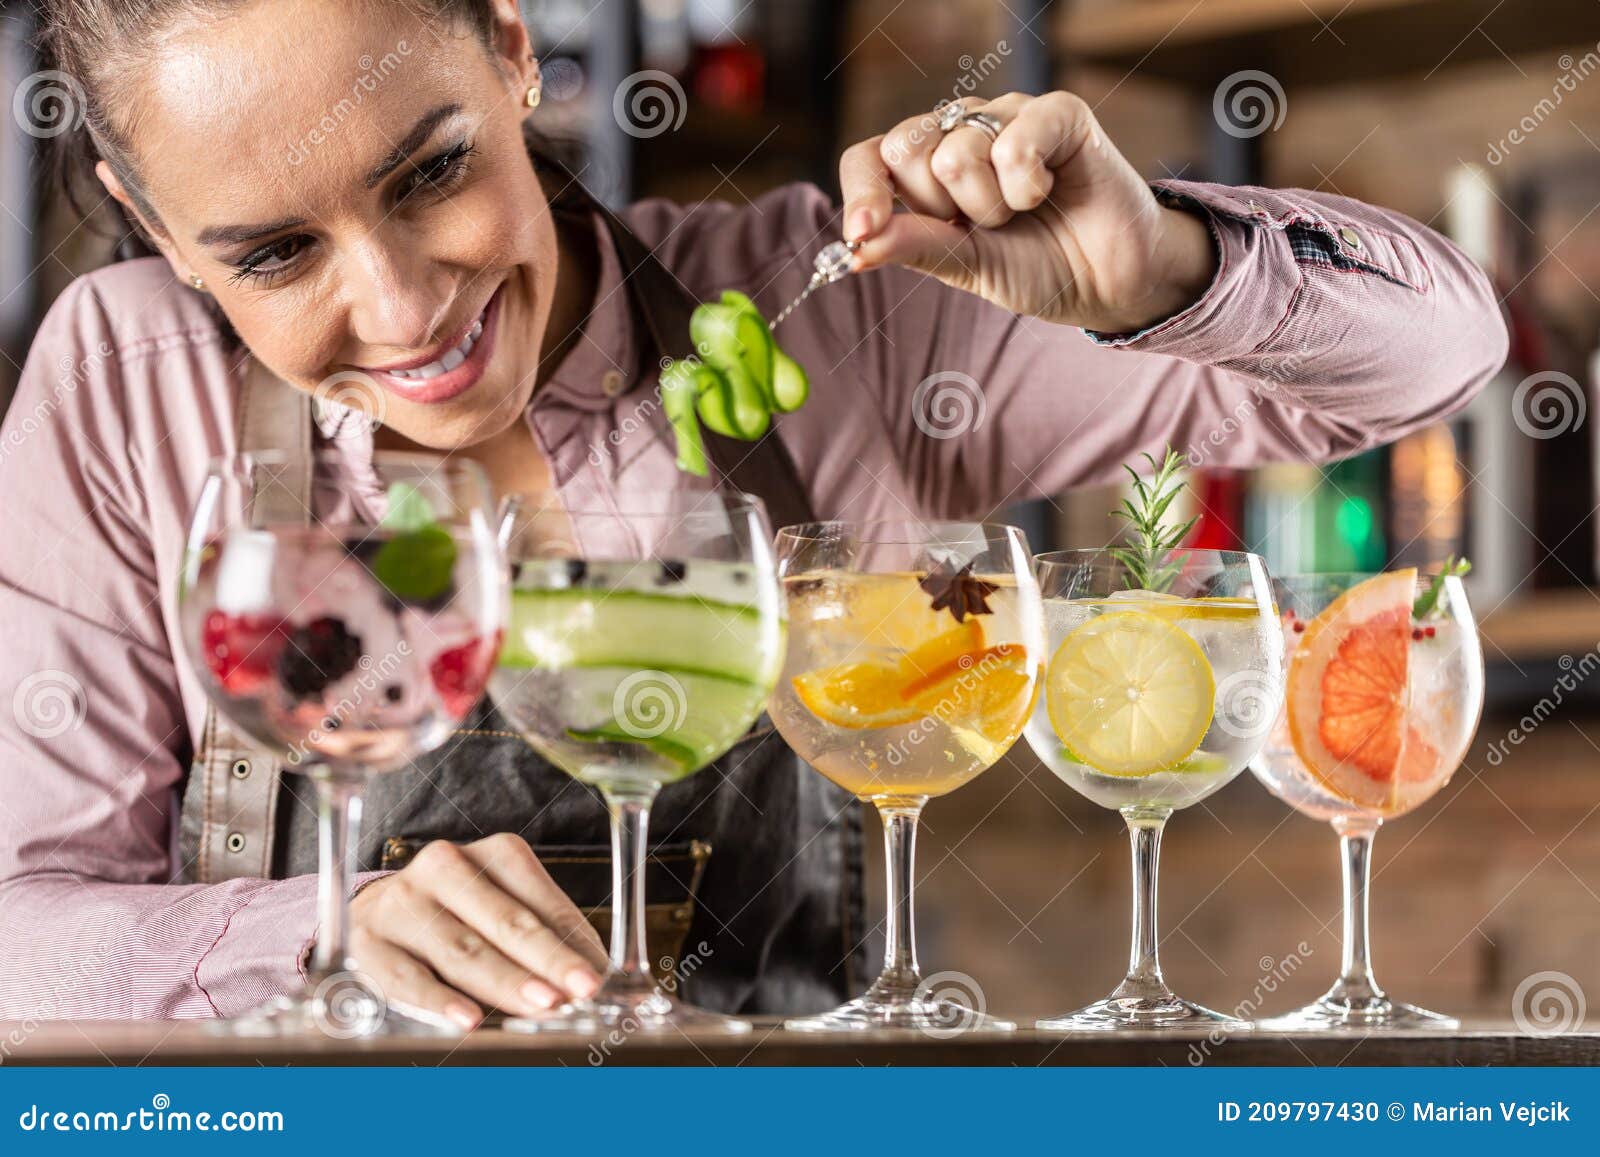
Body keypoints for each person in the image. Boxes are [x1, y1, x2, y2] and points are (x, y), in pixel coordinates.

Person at [0, 0, 1506, 1027]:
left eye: (437, 170)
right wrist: (314, 936)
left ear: (516, 50)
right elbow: (21, 928)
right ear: (151, 227)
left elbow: (1442, 353)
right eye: (272, 255)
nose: (401, 309)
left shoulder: (843, 311)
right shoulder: (129, 384)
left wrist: (1161, 268)